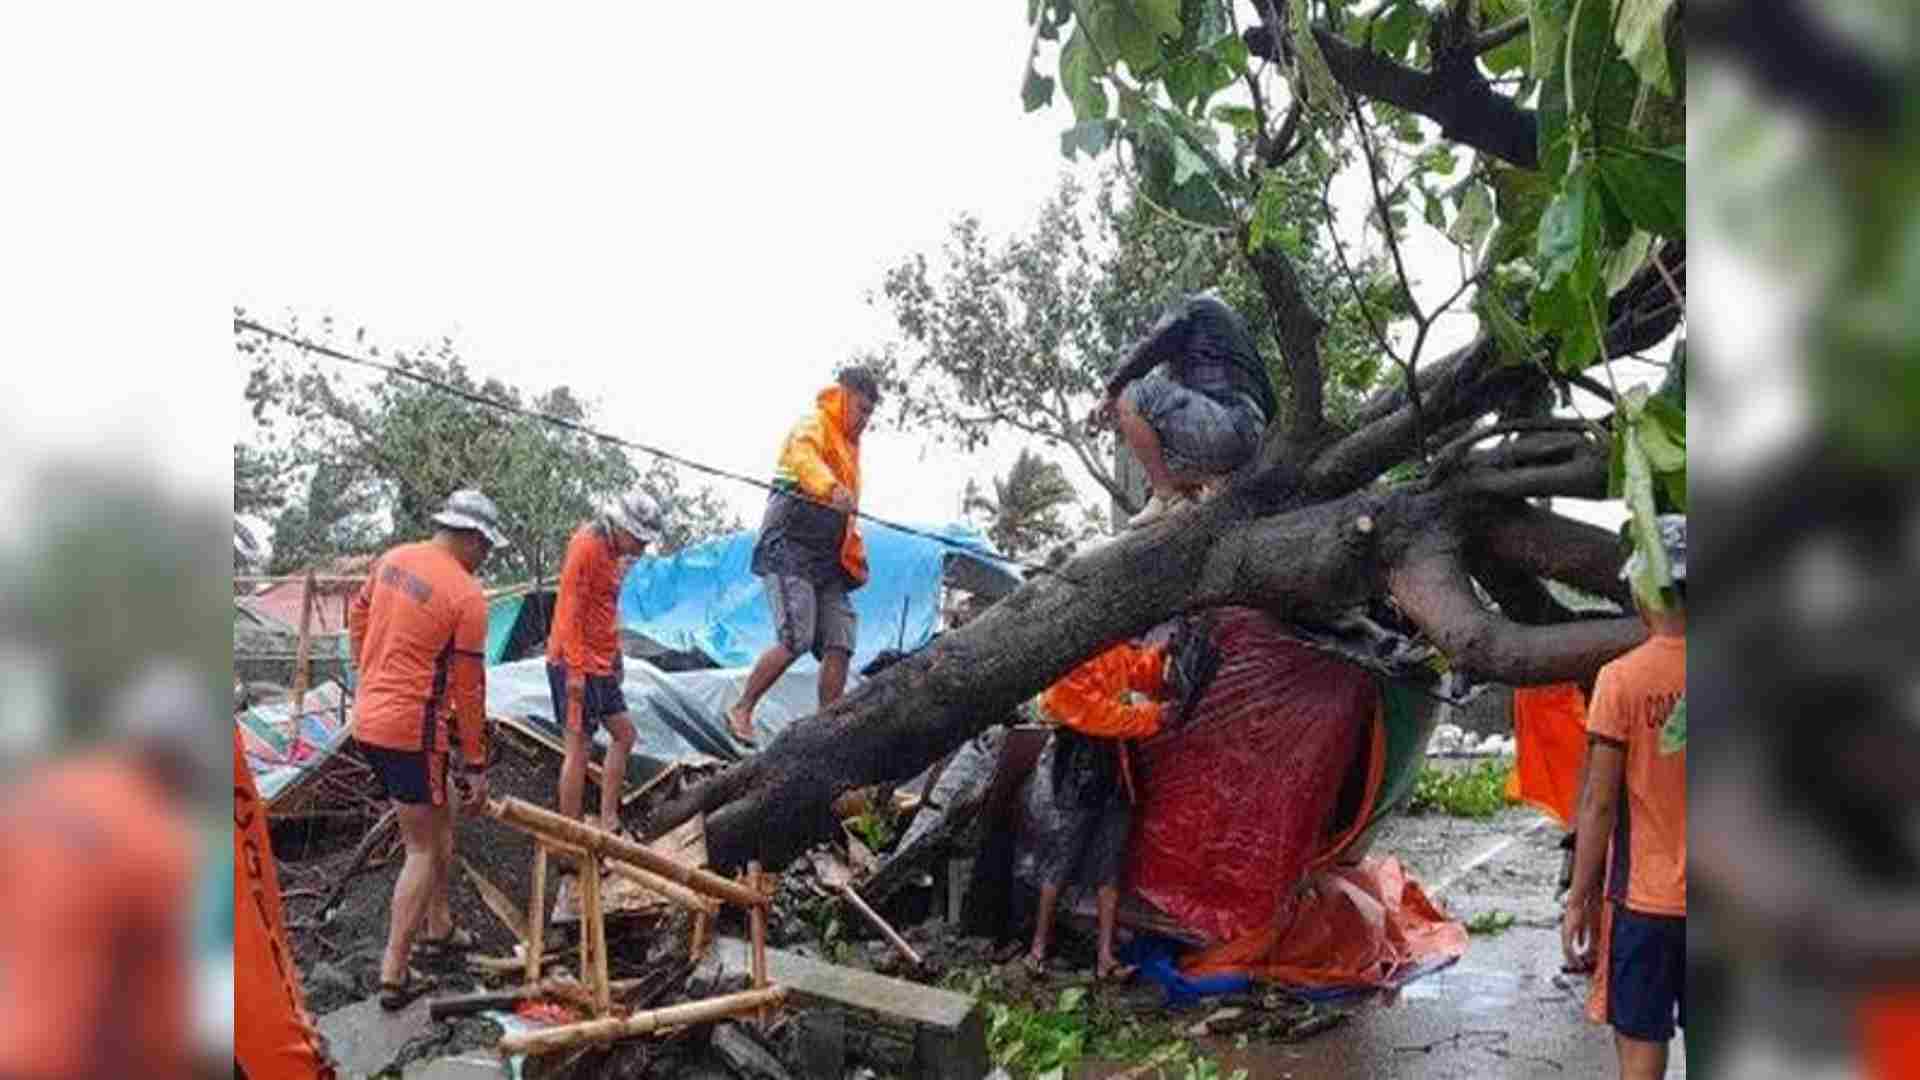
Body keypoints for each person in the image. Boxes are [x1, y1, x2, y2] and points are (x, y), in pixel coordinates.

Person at [0, 662, 207, 1080]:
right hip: (60, 1056)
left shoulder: (45, 787)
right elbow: (159, 1006)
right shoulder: (155, 840)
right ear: (180, 764)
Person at [348, 488, 504, 1010]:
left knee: (443, 817)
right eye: (486, 547)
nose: (485, 557)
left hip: (369, 720)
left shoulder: (392, 560)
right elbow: (469, 689)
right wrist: (476, 762)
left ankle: (439, 926)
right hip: (413, 731)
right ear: (472, 537)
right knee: (422, 847)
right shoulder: (466, 595)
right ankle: (394, 973)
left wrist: (368, 673)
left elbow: (358, 615)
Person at [1562, 515, 1687, 1080]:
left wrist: (1579, 897)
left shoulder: (1621, 680)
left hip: (1646, 905)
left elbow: (1599, 804)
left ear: (1641, 588)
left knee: (1640, 1045)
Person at [728, 367, 881, 746]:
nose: (864, 421)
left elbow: (848, 516)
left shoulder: (851, 450)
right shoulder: (814, 425)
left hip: (826, 562)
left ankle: (827, 727)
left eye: (869, 415)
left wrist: (854, 555)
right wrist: (828, 488)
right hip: (788, 547)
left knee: (841, 637)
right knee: (797, 636)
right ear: (844, 397)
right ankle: (742, 708)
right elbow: (804, 460)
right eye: (861, 410)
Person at [1023, 639, 1174, 982]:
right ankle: (1039, 949)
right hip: (1083, 769)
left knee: (1109, 864)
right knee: (1063, 856)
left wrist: (1158, 655)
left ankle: (1103, 958)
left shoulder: (1110, 645)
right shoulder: (1068, 656)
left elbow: (1135, 675)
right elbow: (1092, 713)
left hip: (1116, 770)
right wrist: (1151, 715)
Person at [1090, 290, 1277, 529]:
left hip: (1225, 424)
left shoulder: (1190, 306)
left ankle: (1164, 496)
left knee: (1130, 394)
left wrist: (1111, 391)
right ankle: (1204, 487)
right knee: (1157, 436)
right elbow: (1270, 401)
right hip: (1252, 435)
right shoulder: (1235, 338)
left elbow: (1154, 344)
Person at [548, 489, 665, 834]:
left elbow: (605, 610)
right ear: (621, 525)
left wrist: (615, 655)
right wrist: (574, 673)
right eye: (639, 540)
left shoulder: (616, 556)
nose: (642, 549)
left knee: (625, 735)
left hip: (600, 663)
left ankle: (608, 819)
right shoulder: (587, 545)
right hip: (575, 662)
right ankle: (570, 834)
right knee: (579, 750)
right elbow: (570, 608)